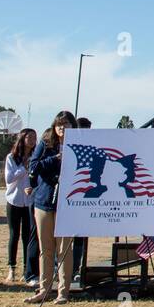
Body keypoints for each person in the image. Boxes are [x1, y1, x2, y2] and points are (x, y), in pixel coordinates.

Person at [25, 111, 77, 306]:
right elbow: (34, 167)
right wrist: (55, 158)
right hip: (44, 201)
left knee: (64, 249)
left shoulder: (79, 144)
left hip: (68, 202)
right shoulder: (45, 144)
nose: (62, 128)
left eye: (66, 124)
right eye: (59, 124)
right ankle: (43, 289)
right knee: (45, 249)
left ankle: (63, 291)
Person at [5, 128, 37, 284]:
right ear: (22, 139)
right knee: (14, 235)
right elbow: (9, 178)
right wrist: (24, 167)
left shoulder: (36, 157)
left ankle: (27, 270)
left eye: (34, 138)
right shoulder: (12, 157)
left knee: (28, 237)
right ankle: (11, 268)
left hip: (29, 201)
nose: (32, 140)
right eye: (29, 137)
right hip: (14, 201)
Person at [70, 117, 92, 287]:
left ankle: (76, 268)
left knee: (79, 238)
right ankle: (61, 268)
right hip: (69, 198)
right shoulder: (69, 146)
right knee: (63, 237)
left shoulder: (91, 147)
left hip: (85, 198)